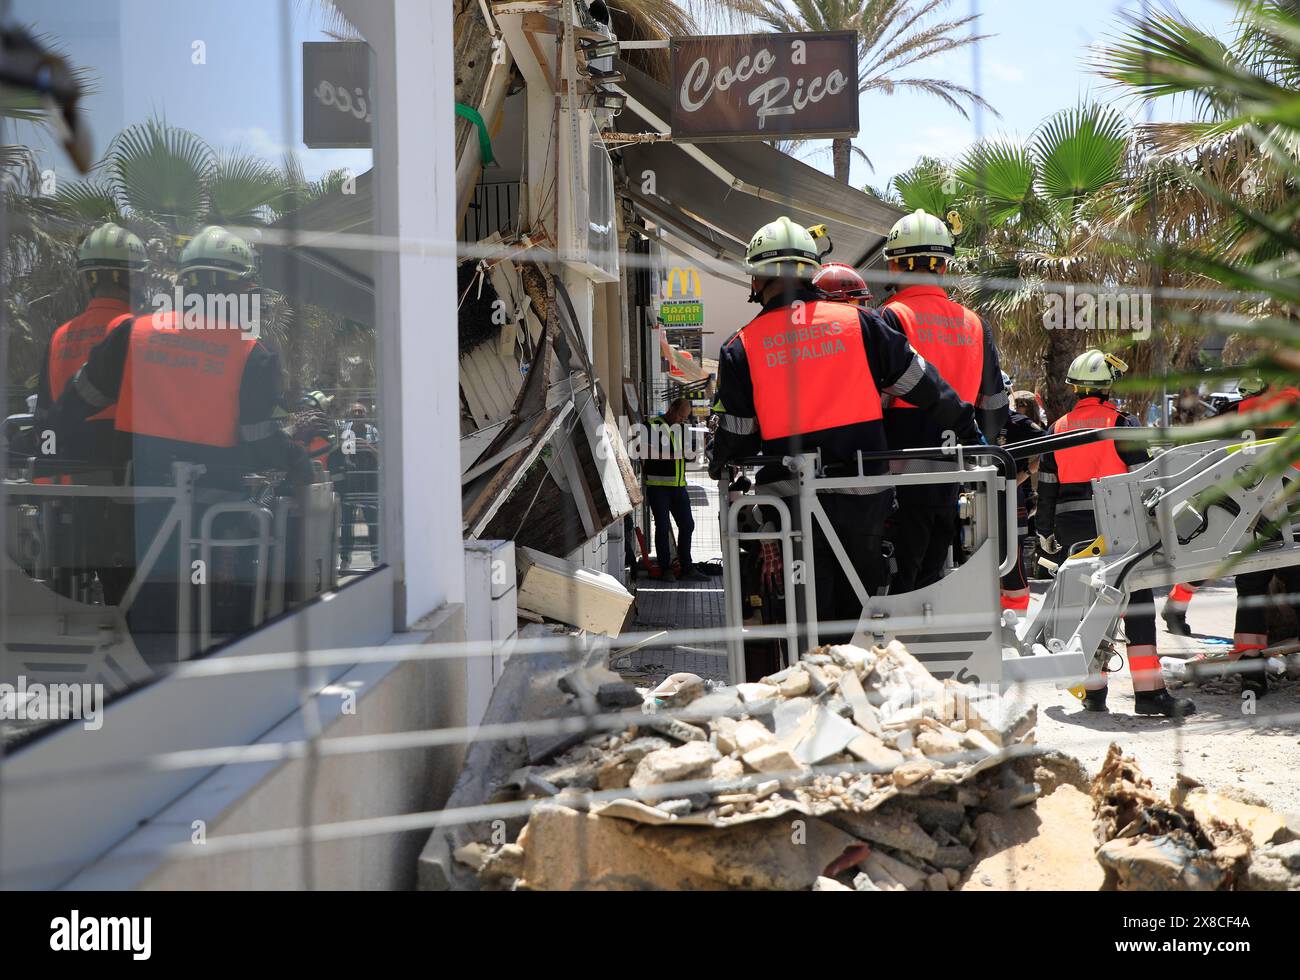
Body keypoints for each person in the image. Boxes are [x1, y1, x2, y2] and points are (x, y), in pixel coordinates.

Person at [710, 216, 983, 644]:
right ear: (809, 269)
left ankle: (813, 683)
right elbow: (921, 383)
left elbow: (738, 432)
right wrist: (968, 427)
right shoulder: (862, 323)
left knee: (809, 612)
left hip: (793, 501)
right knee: (865, 604)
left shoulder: (741, 346)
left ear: (760, 278)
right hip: (865, 495)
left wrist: (719, 460)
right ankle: (863, 681)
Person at [51, 225, 311, 661]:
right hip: (214, 521)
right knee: (211, 625)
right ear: (242, 288)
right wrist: (301, 465)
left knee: (145, 623)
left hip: (135, 514)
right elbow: (260, 440)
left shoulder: (134, 333)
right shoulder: (251, 351)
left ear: (185, 282)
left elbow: (74, 406)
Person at [1036, 349, 1195, 717]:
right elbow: (1145, 479)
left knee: (1092, 606)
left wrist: (1046, 531)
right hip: (1117, 524)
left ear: (1076, 387)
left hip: (1072, 526)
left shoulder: (1057, 428)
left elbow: (1047, 487)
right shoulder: (1122, 423)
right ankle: (1149, 693)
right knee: (1136, 605)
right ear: (1107, 386)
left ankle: (1094, 692)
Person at [877, 209, 1008, 593]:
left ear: (895, 265)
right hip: (955, 471)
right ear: (944, 266)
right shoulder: (974, 322)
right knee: (935, 576)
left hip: (898, 469)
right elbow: (994, 404)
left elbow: (877, 399)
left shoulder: (891, 316)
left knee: (901, 580)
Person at [34, 222, 148, 472]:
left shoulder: (59, 336)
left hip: (68, 482)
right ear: (136, 278)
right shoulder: (140, 334)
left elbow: (43, 416)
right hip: (125, 478)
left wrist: (45, 473)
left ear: (87, 279)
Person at [997, 372, 1045, 614]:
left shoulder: (1017, 423)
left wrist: (1022, 476)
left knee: (1012, 559)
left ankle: (1016, 616)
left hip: (1010, 499)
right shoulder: (969, 419)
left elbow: (1046, 445)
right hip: (973, 502)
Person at [645, 396, 705, 582]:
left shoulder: (682, 429)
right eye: (680, 416)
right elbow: (645, 451)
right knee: (662, 527)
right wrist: (674, 455)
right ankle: (666, 569)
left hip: (679, 487)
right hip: (658, 487)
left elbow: (685, 454)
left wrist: (691, 455)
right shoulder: (652, 425)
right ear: (671, 409)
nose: (681, 420)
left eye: (684, 418)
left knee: (687, 525)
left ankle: (687, 567)